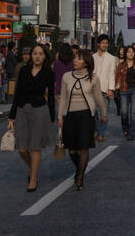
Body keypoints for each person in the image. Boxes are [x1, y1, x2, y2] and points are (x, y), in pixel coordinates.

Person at [9, 44, 56, 192]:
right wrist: (12, 115)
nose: (37, 56)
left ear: (45, 57)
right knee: (22, 149)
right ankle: (32, 167)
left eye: (40, 54)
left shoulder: (48, 72)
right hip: (22, 110)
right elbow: (17, 93)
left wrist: (52, 115)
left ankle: (33, 179)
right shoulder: (23, 71)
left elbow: (52, 95)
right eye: (34, 53)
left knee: (35, 147)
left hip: (40, 110)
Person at [58, 48, 107, 190]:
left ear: (86, 62)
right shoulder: (66, 76)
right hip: (70, 115)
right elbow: (63, 98)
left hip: (86, 115)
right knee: (72, 150)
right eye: (75, 58)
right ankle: (80, 168)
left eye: (78, 58)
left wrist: (103, 113)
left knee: (84, 147)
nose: (75, 60)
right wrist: (60, 116)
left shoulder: (94, 78)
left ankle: (80, 177)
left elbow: (98, 97)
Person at [92, 35, 118, 143]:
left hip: (104, 88)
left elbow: (112, 74)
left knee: (103, 113)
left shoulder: (111, 58)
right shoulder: (92, 57)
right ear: (98, 44)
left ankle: (101, 133)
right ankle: (97, 130)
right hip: (92, 88)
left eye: (106, 43)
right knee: (93, 112)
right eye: (103, 43)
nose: (105, 45)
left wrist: (111, 89)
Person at [115, 46, 135, 139]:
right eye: (128, 52)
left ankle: (132, 133)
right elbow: (117, 77)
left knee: (133, 112)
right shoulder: (121, 65)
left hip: (134, 90)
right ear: (125, 54)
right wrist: (116, 88)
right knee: (124, 112)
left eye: (132, 52)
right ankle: (125, 128)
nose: (130, 53)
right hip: (123, 90)